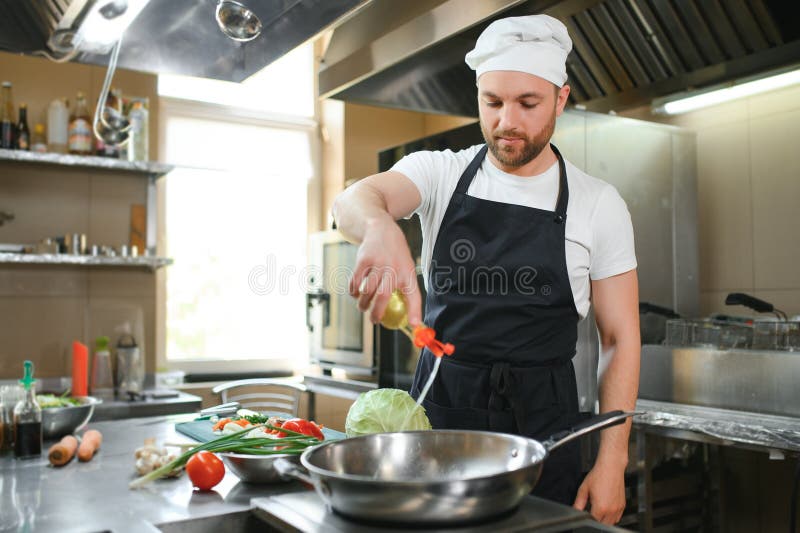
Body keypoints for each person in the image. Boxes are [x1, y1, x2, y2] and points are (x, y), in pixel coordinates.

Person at [332, 14, 640, 525]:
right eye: (492, 102)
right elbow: (353, 199)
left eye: (528, 103)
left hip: (546, 435)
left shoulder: (597, 204)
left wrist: (613, 459)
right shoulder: (440, 172)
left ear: (561, 99)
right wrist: (379, 226)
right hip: (441, 428)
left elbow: (621, 338)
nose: (506, 122)